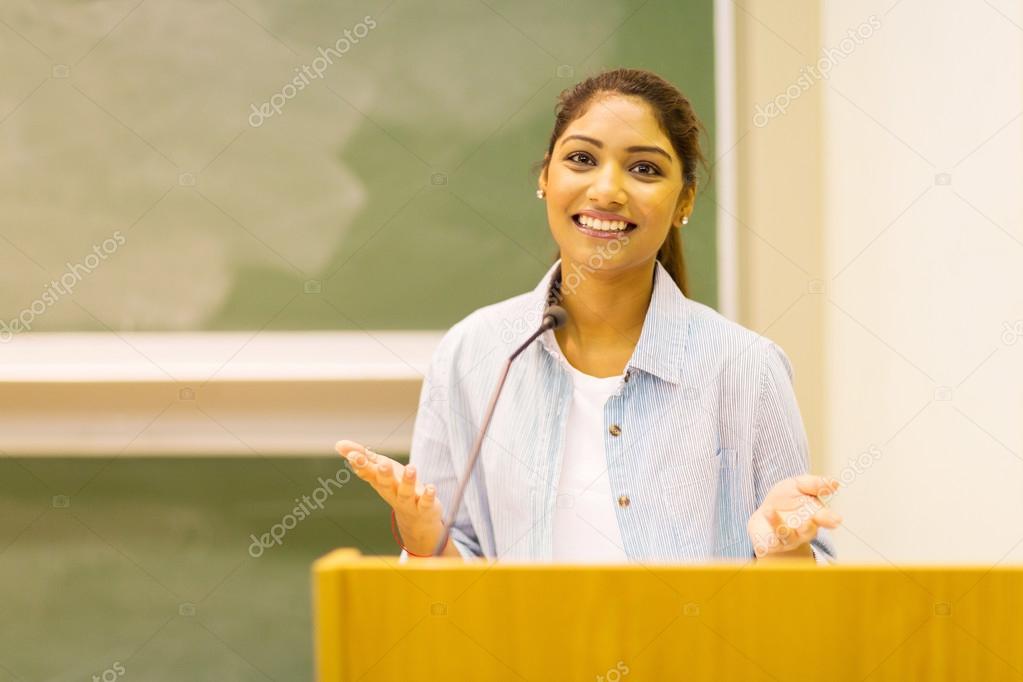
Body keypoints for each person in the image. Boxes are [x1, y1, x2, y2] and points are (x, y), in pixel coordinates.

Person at [336, 67, 842, 564]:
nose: (606, 191)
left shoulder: (745, 366)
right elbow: (452, 588)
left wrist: (786, 548)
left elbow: (803, 604)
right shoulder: (476, 352)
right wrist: (427, 539)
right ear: (545, 177)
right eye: (581, 158)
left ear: (684, 198)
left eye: (644, 168)